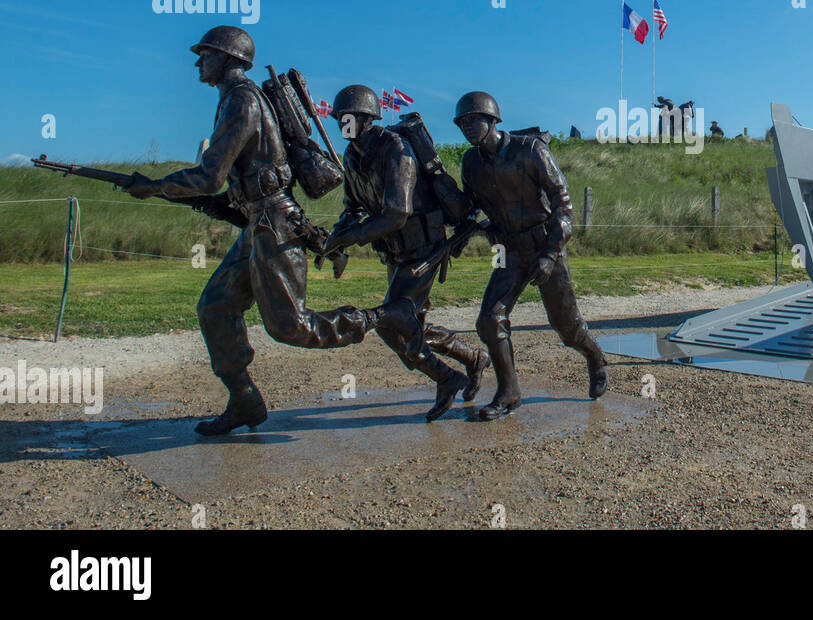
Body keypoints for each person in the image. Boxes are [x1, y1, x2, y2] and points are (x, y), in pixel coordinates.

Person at [125, 27, 424, 436]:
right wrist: (164, 190)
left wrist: (156, 185)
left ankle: (384, 316)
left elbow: (211, 177)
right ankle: (245, 399)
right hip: (257, 223)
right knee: (215, 306)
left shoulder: (242, 100)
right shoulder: (234, 99)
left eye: (205, 54)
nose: (198, 62)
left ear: (229, 58)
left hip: (274, 223)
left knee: (291, 327)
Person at [322, 86, 490, 421]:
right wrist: (339, 236)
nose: (342, 122)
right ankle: (472, 359)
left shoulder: (395, 149)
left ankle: (445, 378)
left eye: (349, 117)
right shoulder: (352, 156)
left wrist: (353, 237)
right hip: (395, 252)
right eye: (339, 117)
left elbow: (396, 213)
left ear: (368, 119)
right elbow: (353, 206)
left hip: (422, 249)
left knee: (391, 321)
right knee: (412, 324)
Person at [453, 91, 608, 420]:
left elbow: (563, 207)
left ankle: (594, 357)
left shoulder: (530, 150)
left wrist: (551, 254)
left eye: (473, 120)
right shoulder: (470, 162)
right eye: (462, 123)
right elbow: (468, 208)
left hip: (543, 245)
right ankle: (509, 393)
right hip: (507, 250)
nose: (466, 127)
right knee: (489, 321)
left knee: (566, 327)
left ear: (493, 120)